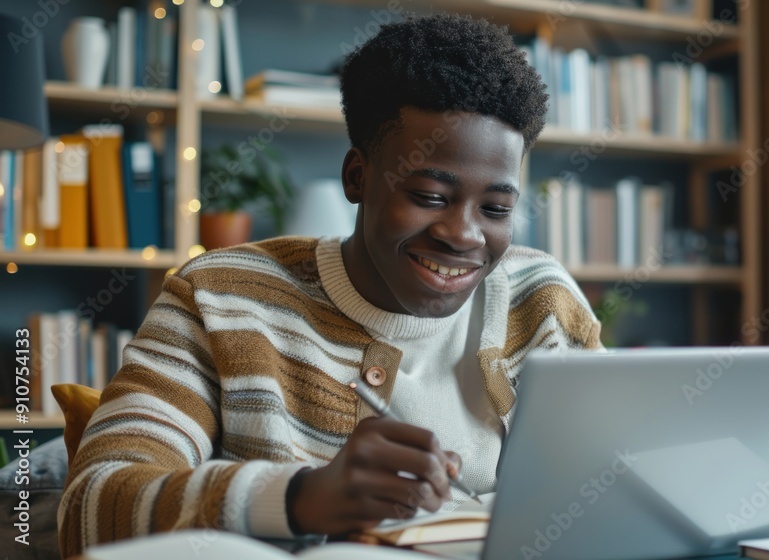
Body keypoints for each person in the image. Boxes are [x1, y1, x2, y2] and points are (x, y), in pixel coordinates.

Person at [58, 12, 602, 557]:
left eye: (496, 208)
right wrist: (300, 498)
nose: (463, 234)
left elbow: (618, 478)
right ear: (357, 177)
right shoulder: (220, 297)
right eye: (430, 196)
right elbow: (91, 508)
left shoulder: (541, 299)